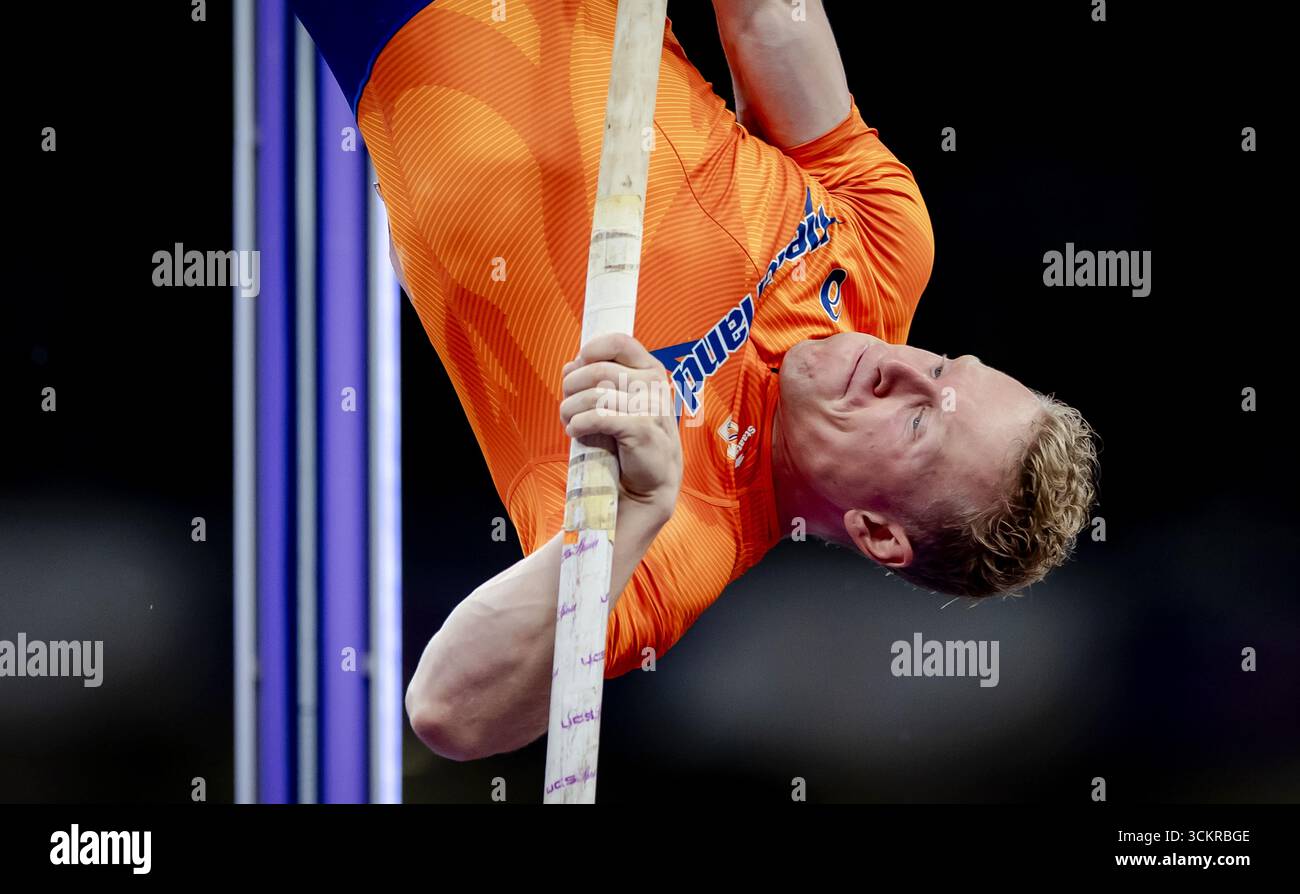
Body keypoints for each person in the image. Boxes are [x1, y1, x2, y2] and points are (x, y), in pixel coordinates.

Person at [289, 0, 1098, 761]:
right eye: (941, 366)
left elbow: (448, 713)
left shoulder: (675, 545)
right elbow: (766, 20)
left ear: (878, 532)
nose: (897, 366)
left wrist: (635, 513)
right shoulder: (886, 257)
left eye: (921, 421)